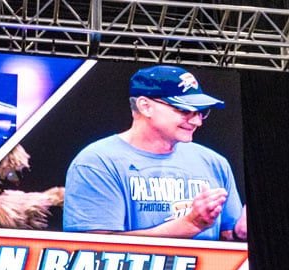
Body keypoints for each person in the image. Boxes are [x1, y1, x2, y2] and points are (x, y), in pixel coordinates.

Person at [63, 64, 245, 241]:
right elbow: (92, 250)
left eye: (201, 112)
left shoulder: (214, 162)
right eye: (184, 110)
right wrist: (189, 225)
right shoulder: (98, 162)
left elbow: (228, 237)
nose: (197, 122)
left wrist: (240, 233)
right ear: (145, 106)